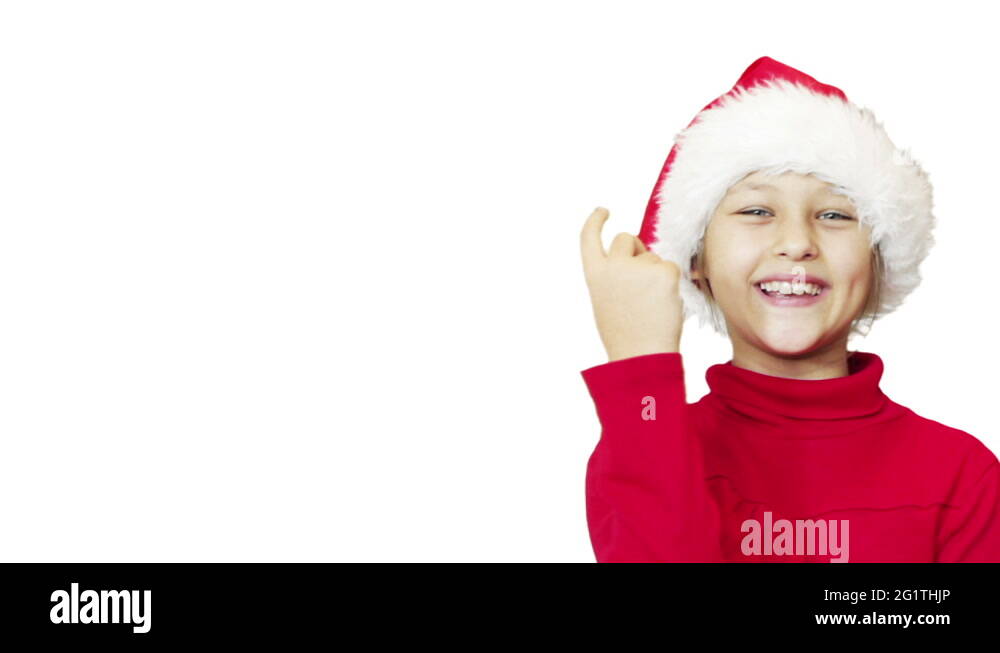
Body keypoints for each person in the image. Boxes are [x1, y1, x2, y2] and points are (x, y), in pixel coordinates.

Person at [579, 56, 1000, 562]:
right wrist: (641, 364)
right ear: (696, 259)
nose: (798, 242)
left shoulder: (960, 474)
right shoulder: (645, 442)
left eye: (835, 214)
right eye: (757, 211)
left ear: (880, 258)